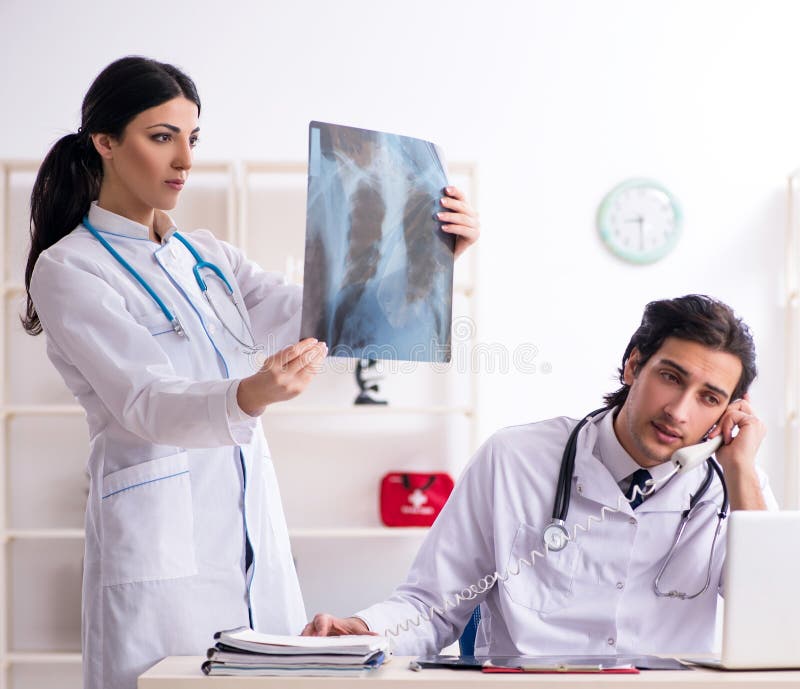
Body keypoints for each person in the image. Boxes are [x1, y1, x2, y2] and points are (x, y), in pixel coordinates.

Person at [22, 56, 479, 689]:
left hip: (252, 538)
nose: (184, 159)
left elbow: (318, 313)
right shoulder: (70, 268)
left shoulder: (205, 256)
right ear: (104, 142)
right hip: (161, 552)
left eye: (192, 138)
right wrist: (251, 394)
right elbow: (144, 400)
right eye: (162, 138)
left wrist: (430, 257)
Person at [303, 295, 778, 657]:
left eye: (709, 398)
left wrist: (740, 474)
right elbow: (433, 606)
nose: (679, 410)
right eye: (671, 377)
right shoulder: (515, 459)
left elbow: (772, 625)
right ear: (634, 365)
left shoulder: (733, 490)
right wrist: (366, 631)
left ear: (728, 412)